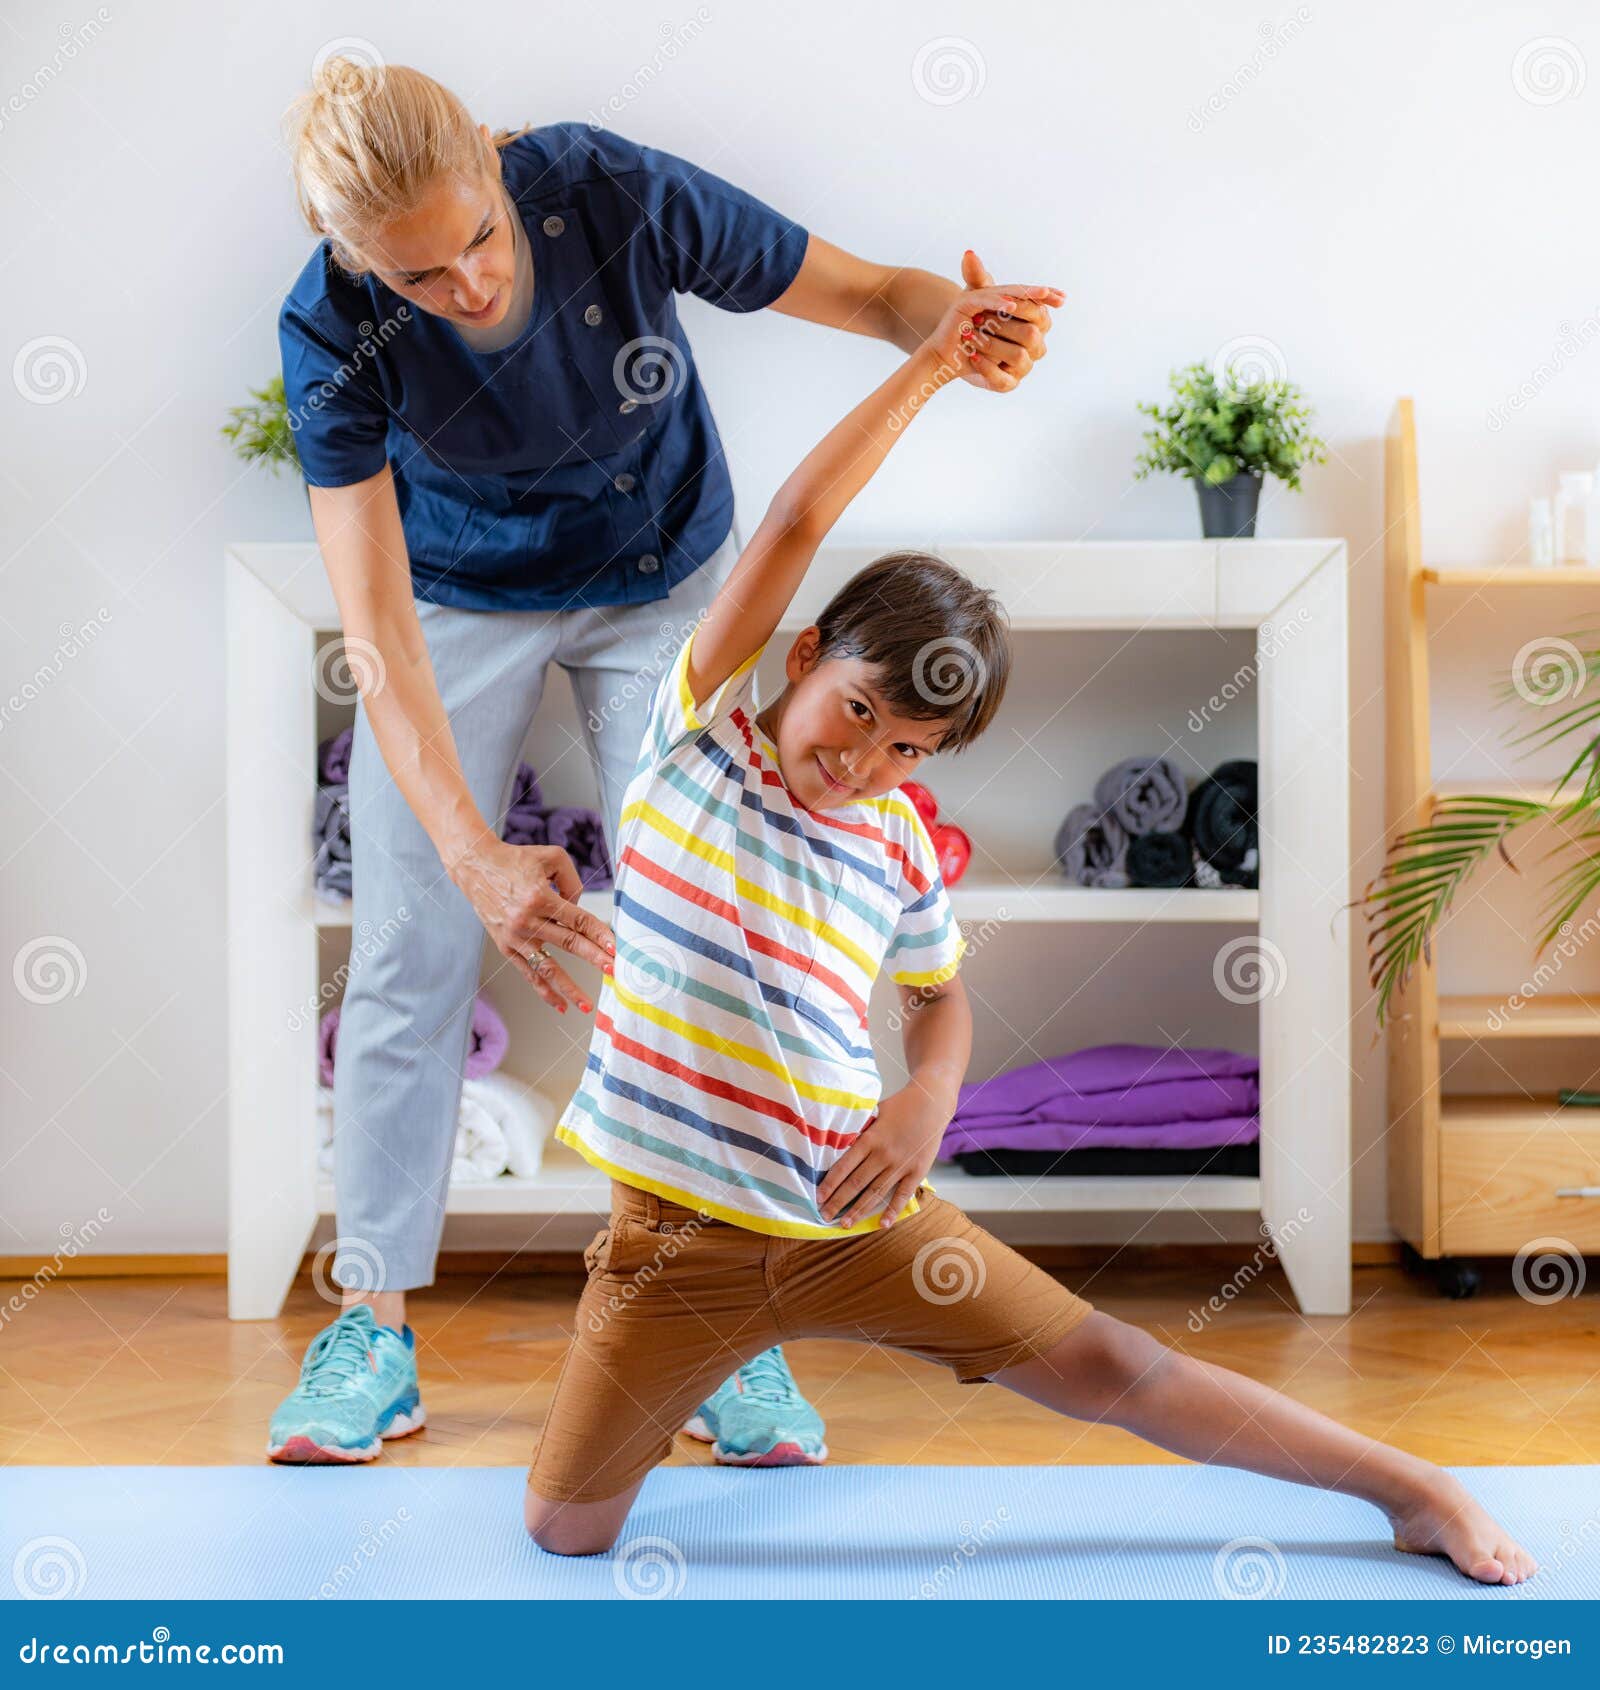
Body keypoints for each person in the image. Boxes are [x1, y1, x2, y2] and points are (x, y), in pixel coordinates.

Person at [522, 275, 1538, 1590]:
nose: (865, 761)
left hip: (855, 1213)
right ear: (803, 653)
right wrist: (932, 365)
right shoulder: (695, 746)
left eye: (908, 748)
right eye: (855, 714)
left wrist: (929, 1100)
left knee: (1114, 1366)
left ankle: (1414, 1485)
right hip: (675, 1251)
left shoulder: (895, 845)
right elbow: (795, 517)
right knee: (564, 1530)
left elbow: (938, 994)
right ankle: (725, 1366)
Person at [266, 58, 1059, 1466]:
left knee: (708, 926)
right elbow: (377, 629)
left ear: (505, 170)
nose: (471, 291)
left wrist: (961, 327)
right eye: (420, 278)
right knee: (408, 941)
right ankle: (372, 1330)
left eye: (483, 243)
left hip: (661, 582)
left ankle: (717, 1324)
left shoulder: (609, 192)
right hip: (456, 599)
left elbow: (881, 295)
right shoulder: (332, 330)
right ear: (349, 260)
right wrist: (471, 854)